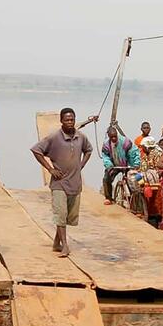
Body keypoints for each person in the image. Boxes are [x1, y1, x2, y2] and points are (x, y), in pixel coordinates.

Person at [31, 107, 93, 257]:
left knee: (68, 217)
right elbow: (36, 150)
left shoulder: (81, 137)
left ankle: (56, 242)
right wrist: (50, 169)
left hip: (75, 182)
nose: (70, 122)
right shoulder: (54, 137)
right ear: (61, 121)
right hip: (59, 183)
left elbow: (89, 150)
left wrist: (81, 165)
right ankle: (65, 245)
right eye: (67, 120)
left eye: (72, 119)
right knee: (60, 213)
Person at [101, 126, 141, 204]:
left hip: (127, 164)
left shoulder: (125, 142)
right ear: (108, 136)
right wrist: (109, 165)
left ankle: (134, 201)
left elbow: (134, 152)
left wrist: (135, 164)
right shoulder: (106, 144)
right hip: (114, 166)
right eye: (111, 137)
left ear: (117, 134)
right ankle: (108, 198)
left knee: (132, 180)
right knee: (106, 178)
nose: (113, 138)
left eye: (115, 136)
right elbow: (105, 156)